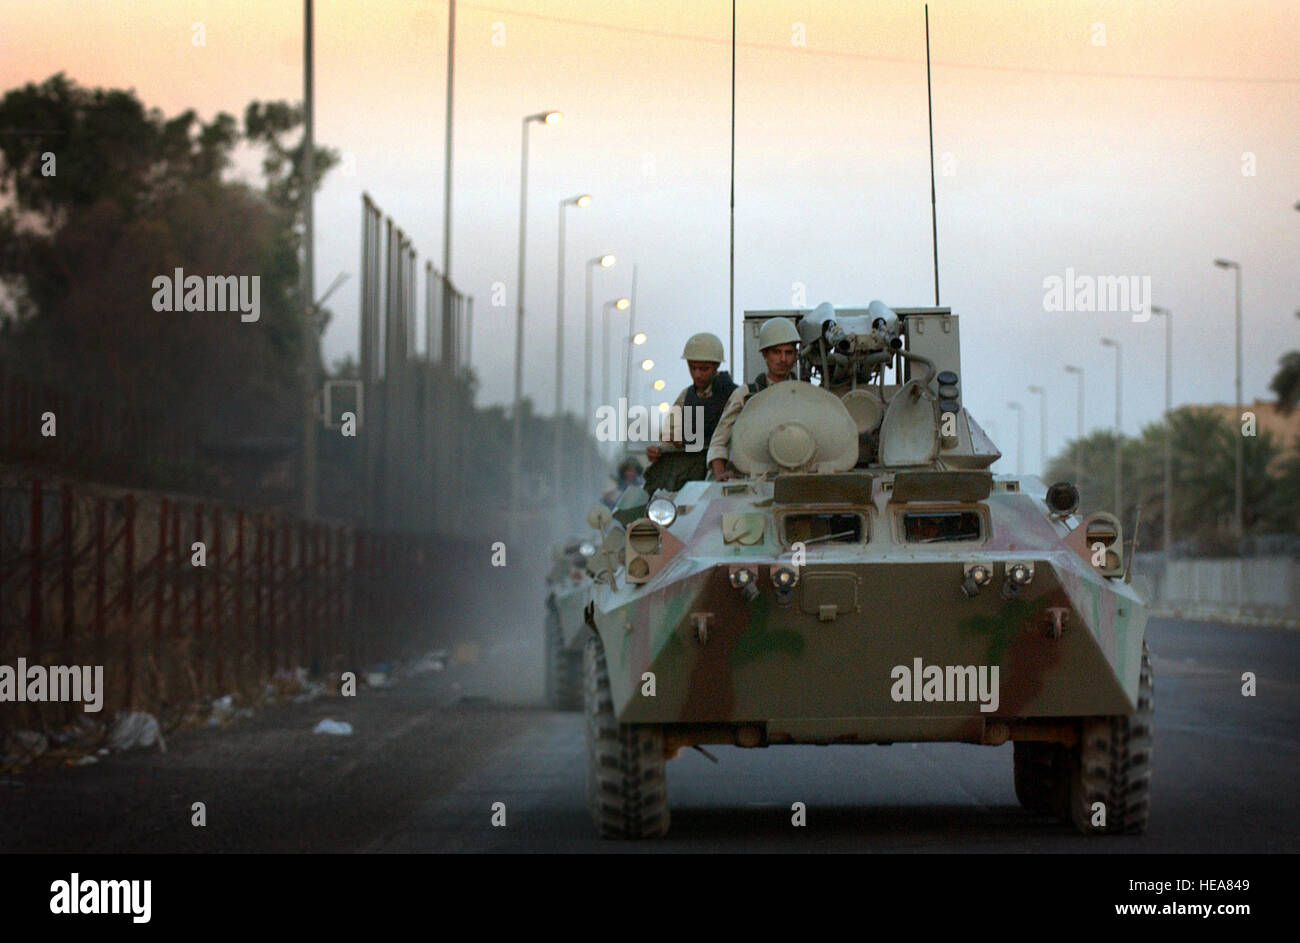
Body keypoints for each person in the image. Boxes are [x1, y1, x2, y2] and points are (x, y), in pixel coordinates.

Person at [707, 316, 801, 480]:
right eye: (776, 352)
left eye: (789, 352)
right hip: (755, 478)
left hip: (797, 474)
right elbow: (719, 441)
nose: (783, 359)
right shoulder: (745, 394)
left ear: (795, 356)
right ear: (765, 354)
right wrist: (720, 474)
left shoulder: (805, 394)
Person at [646, 332, 737, 463]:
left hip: (723, 465)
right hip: (691, 466)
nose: (697, 374)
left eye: (704, 369)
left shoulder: (734, 395)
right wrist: (658, 450)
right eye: (692, 368)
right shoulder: (686, 397)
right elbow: (670, 437)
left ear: (716, 365)